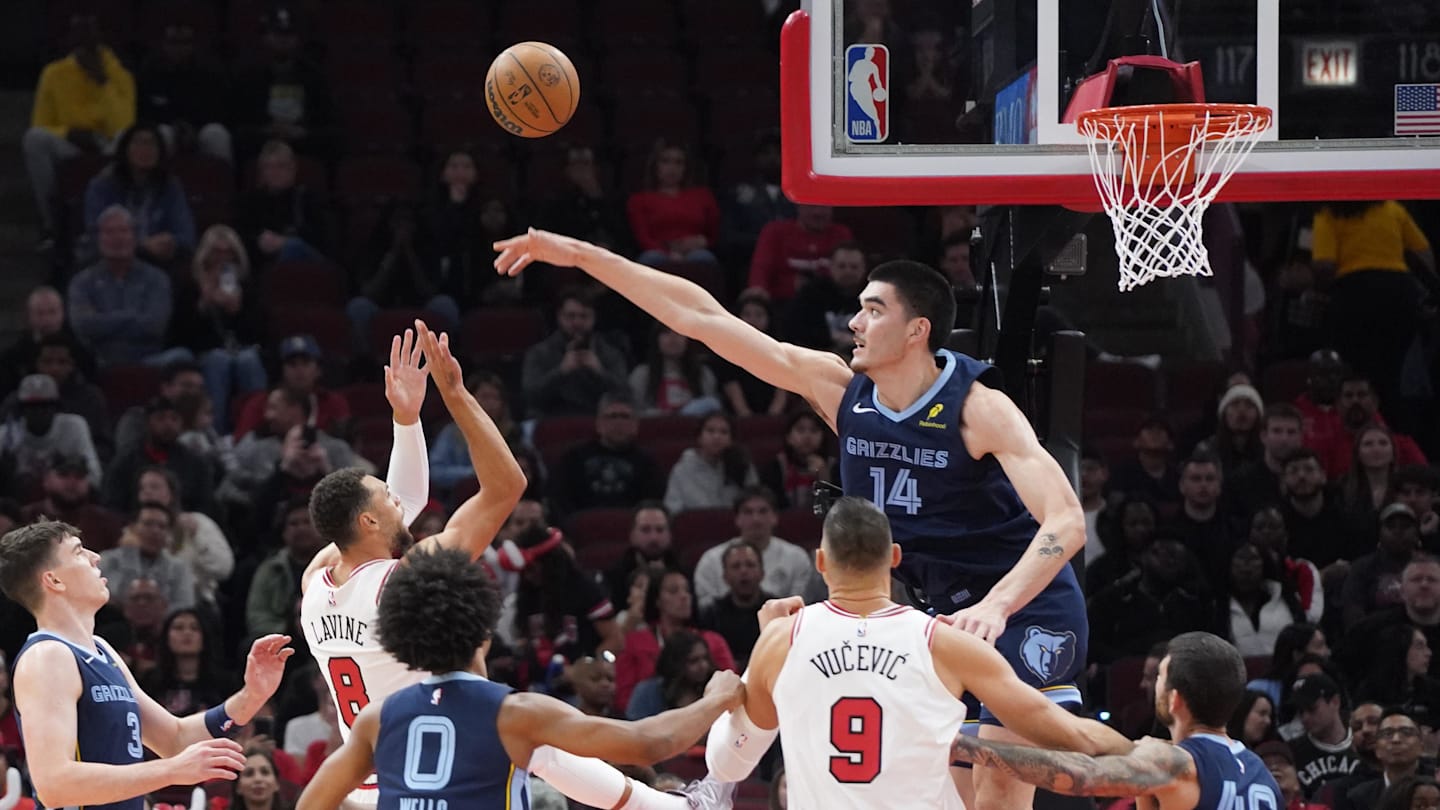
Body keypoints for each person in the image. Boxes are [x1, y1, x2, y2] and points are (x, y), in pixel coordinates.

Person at [495, 228, 1091, 810]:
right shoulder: (840, 392)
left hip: (1026, 608)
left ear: (918, 330)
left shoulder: (979, 409)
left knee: (999, 791)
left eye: (873, 311)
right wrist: (580, 254)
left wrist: (998, 605)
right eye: (858, 309)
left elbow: (1066, 521)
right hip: (944, 616)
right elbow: (699, 317)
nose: (854, 323)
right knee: (951, 797)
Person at [702, 497, 1130, 810]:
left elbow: (728, 763)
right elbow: (1067, 731)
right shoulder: (945, 643)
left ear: (820, 562)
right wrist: (1143, 753)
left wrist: (751, 671)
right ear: (894, 558)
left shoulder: (783, 640)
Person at [295, 546, 744, 810]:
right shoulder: (515, 713)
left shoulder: (377, 719)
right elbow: (649, 743)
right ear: (485, 634)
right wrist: (716, 699)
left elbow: (310, 804)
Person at [298, 323, 524, 806]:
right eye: (386, 498)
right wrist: (455, 394)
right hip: (429, 781)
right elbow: (506, 487)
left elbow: (405, 503)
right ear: (367, 520)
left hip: (366, 784)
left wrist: (406, 419)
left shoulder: (315, 578)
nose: (398, 501)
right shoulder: (405, 579)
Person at [0, 520, 294, 809]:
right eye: (78, 551)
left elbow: (176, 739)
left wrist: (251, 695)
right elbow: (54, 785)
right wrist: (171, 771)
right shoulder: (47, 657)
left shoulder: (101, 650)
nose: (95, 557)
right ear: (54, 580)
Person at [951, 631, 1283, 810]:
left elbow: (1081, 777)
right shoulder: (1261, 775)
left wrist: (962, 746)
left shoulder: (1177, 764)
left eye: (1160, 676)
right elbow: (1097, 741)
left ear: (1175, 699)